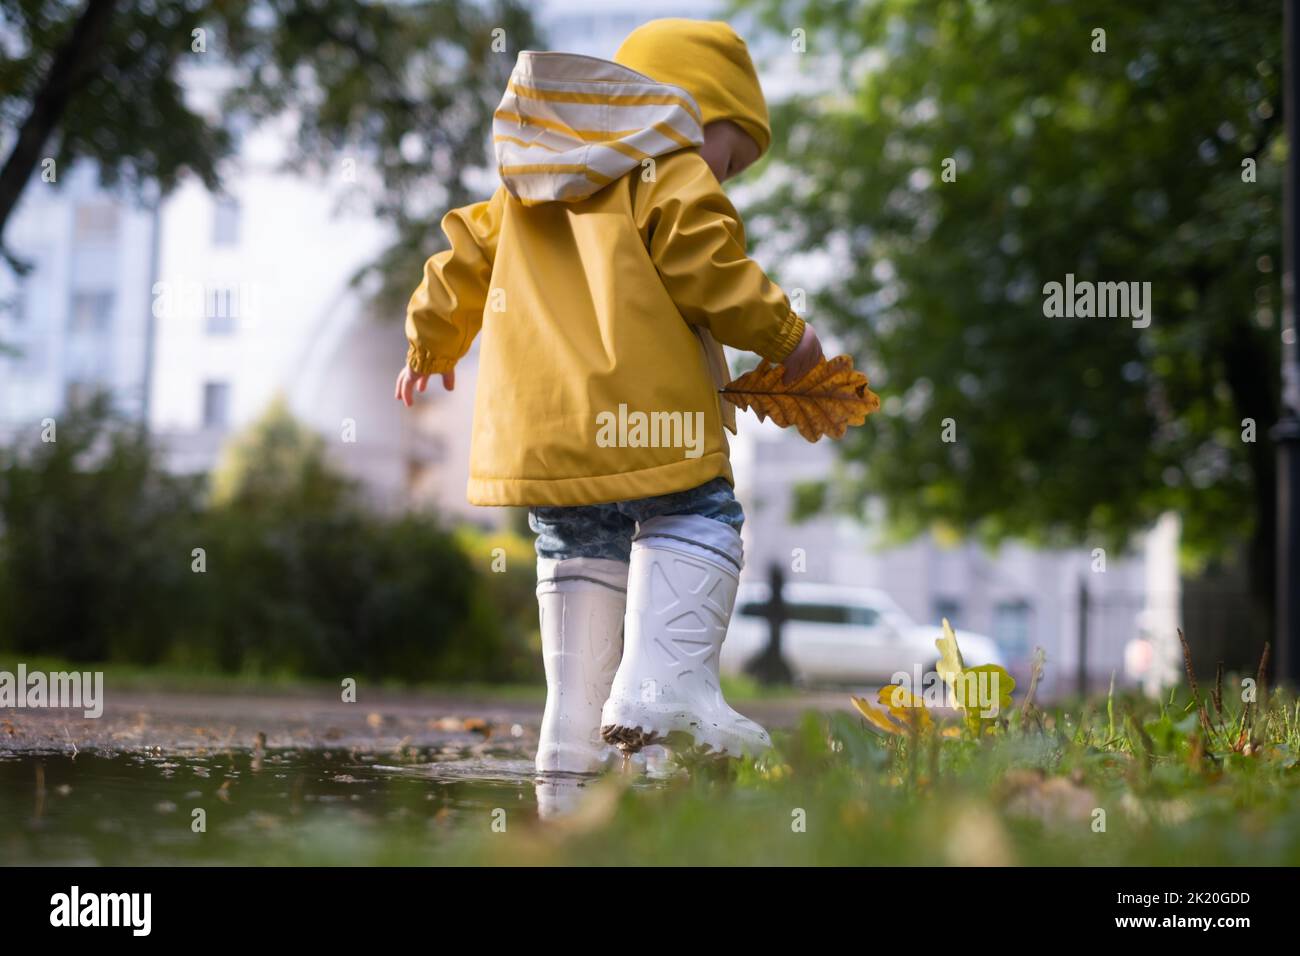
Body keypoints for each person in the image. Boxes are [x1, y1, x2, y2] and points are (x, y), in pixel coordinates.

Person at [395, 19, 823, 774]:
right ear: (694, 110)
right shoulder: (669, 165)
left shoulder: (525, 179)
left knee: (578, 555)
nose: (725, 176)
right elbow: (707, 266)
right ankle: (665, 691)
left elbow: (459, 255)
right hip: (653, 421)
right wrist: (787, 335)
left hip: (547, 438)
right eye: (734, 154)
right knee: (700, 513)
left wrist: (431, 343)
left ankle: (568, 755)